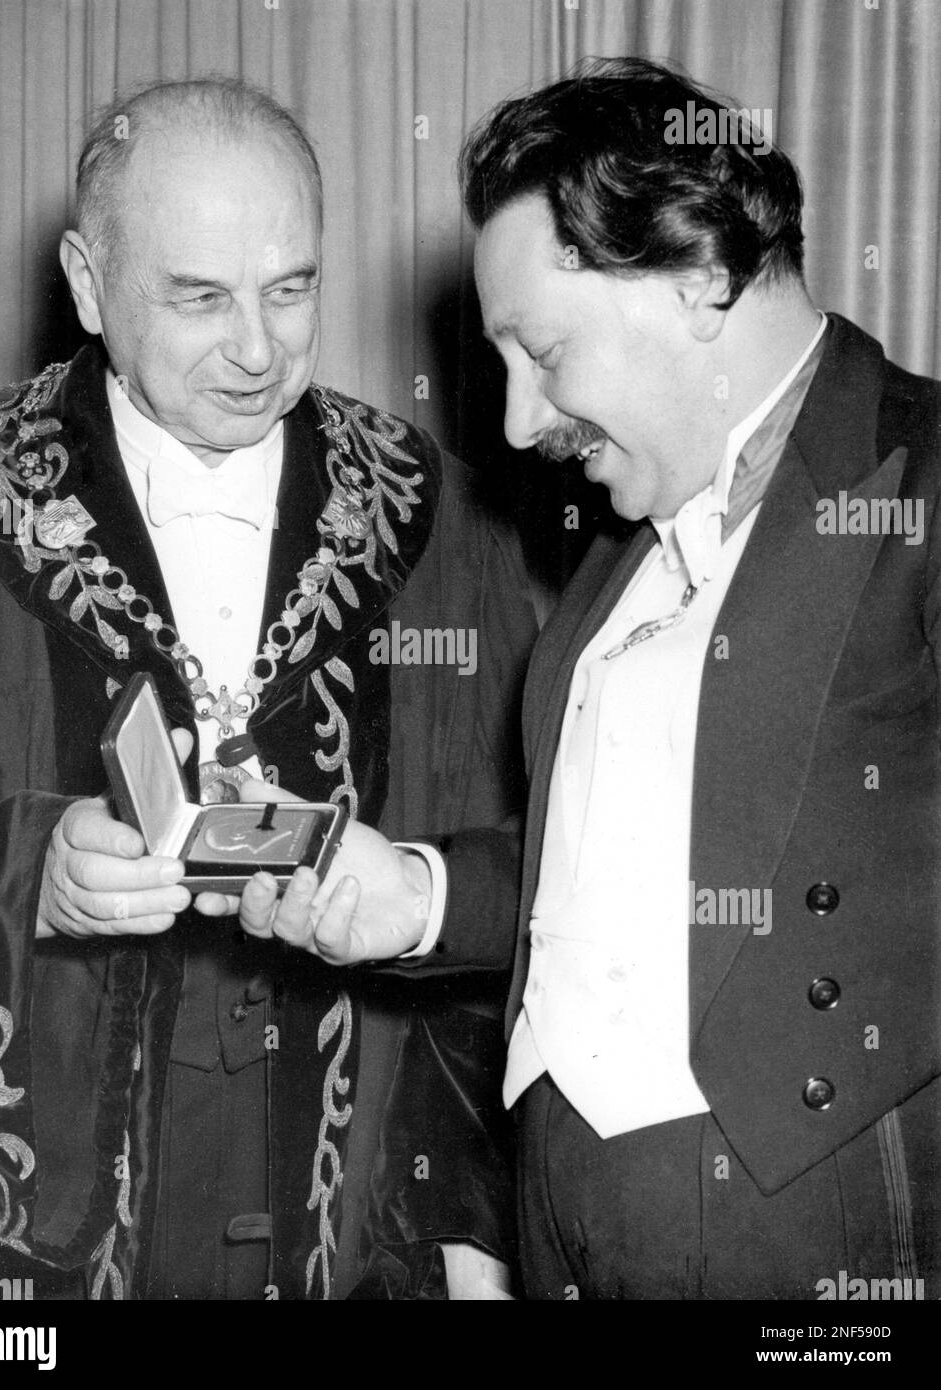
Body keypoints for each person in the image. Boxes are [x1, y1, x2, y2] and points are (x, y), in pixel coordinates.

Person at [233, 57, 941, 1300]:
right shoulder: (613, 570)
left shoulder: (921, 478)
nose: (515, 423)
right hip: (561, 1238)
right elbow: (616, 878)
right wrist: (412, 889)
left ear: (700, 274)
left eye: (540, 350)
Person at [0, 78, 536, 1300]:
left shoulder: (443, 516)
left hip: (351, 1212)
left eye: (290, 288)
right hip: (22, 1232)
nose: (258, 349)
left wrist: (472, 1231)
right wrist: (31, 870)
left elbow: (522, 877)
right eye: (198, 297)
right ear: (88, 285)